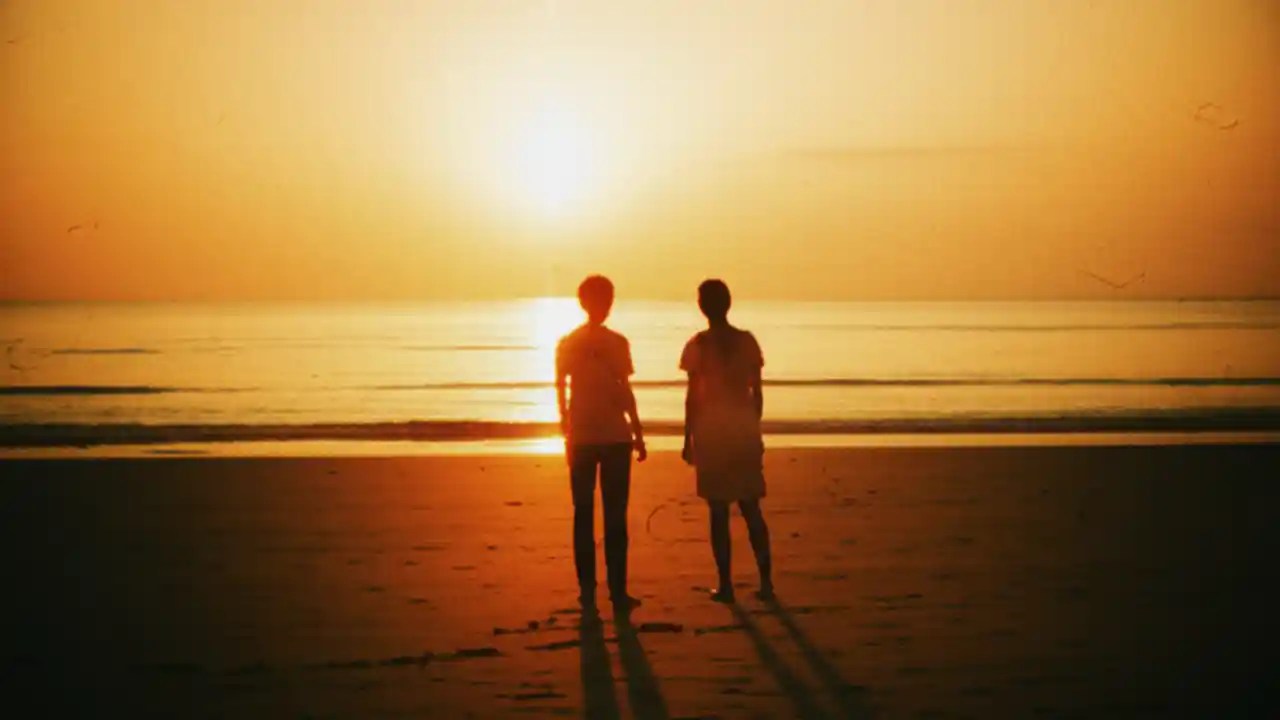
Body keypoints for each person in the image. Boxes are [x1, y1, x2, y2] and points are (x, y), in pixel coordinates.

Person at [556, 275, 647, 611]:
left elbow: (562, 389)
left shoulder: (572, 342)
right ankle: (609, 590)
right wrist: (636, 431)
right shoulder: (610, 342)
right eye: (603, 301)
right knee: (609, 514)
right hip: (604, 436)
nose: (605, 307)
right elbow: (623, 390)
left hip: (595, 435)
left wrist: (565, 427)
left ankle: (595, 590)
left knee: (588, 512)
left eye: (608, 300)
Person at [680, 279, 774, 603]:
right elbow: (757, 393)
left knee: (718, 511)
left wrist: (687, 438)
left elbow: (692, 397)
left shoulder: (698, 345)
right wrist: (752, 427)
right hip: (742, 431)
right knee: (750, 507)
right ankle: (766, 582)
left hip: (712, 434)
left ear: (702, 306)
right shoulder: (746, 341)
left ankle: (726, 584)